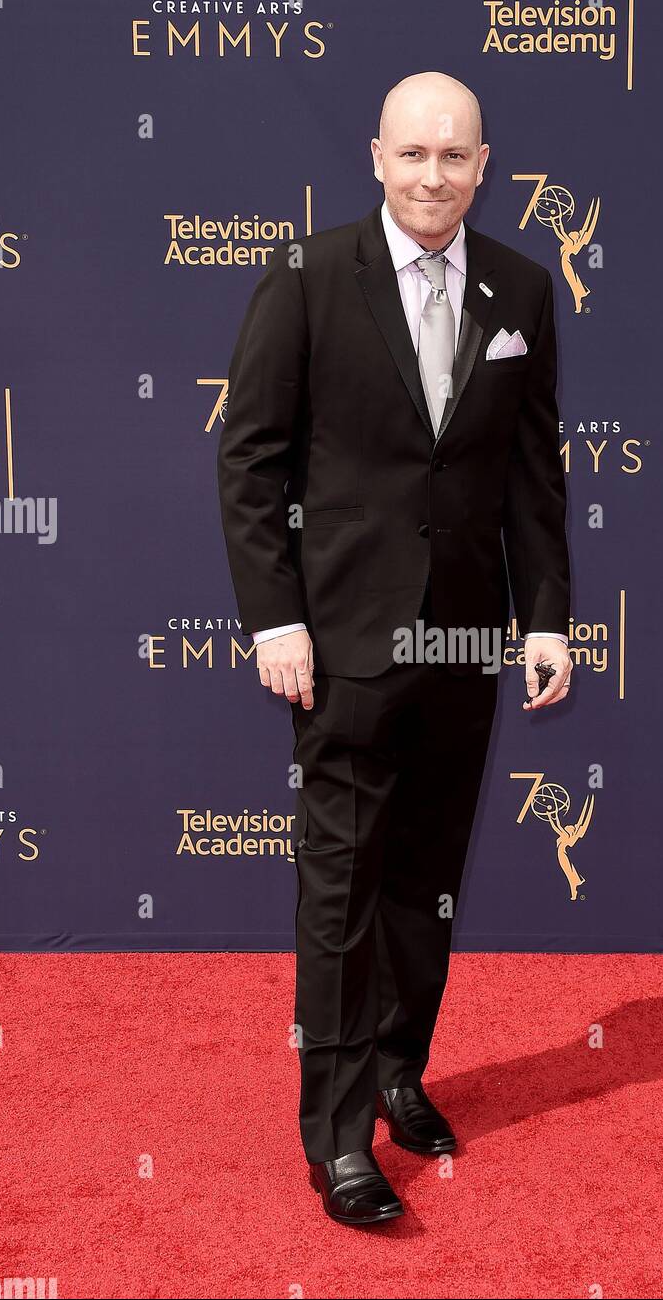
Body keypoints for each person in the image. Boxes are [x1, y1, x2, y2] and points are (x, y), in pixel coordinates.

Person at [217, 71, 572, 1226]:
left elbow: (530, 475)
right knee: (341, 891)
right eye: (413, 154)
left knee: (425, 885)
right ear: (376, 156)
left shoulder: (519, 285)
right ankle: (335, 1139)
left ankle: (394, 1071)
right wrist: (276, 619)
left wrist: (546, 617)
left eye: (454, 156)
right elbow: (250, 463)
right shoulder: (309, 277)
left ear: (483, 164)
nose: (432, 176)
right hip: (343, 646)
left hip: (465, 644)